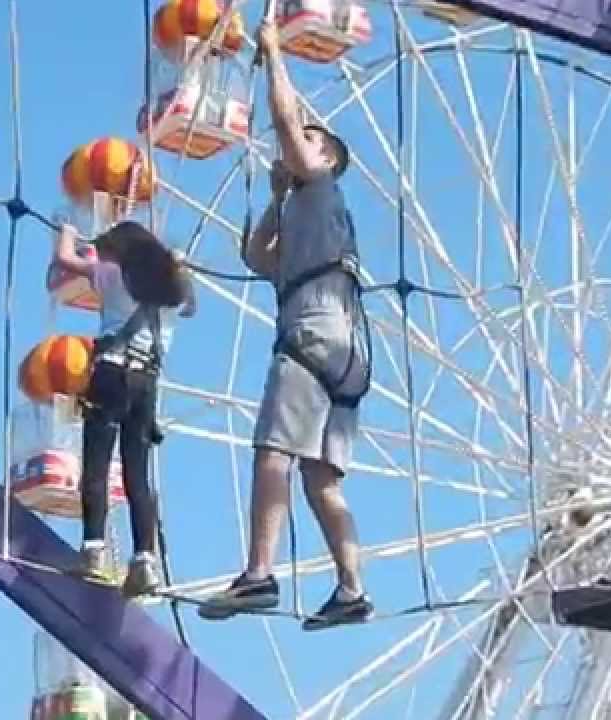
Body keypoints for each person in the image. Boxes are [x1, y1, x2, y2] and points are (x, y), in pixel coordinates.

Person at [197, 18, 373, 631]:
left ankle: (258, 572)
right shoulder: (308, 216)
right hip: (348, 352)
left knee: (272, 452)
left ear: (325, 155)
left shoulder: (322, 185)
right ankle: (352, 588)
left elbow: (285, 124)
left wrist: (273, 54)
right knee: (320, 480)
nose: (297, 141)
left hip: (309, 335)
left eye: (310, 137)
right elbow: (257, 259)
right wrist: (275, 198)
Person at [52, 217, 197, 598]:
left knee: (97, 465)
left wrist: (67, 229)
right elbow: (191, 307)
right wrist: (180, 268)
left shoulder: (113, 275)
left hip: (111, 373)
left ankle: (93, 552)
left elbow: (66, 259)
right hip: (146, 382)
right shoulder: (172, 289)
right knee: (138, 476)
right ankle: (145, 562)